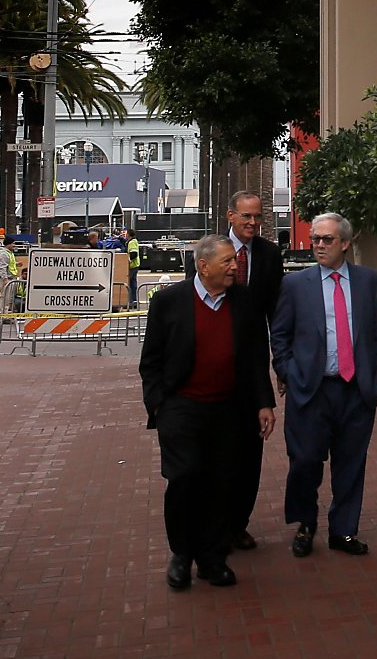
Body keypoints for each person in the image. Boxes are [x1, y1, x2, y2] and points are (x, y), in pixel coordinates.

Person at [139, 233, 275, 592]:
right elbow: (150, 362)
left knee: (221, 484)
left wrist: (264, 402)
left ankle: (213, 559)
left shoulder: (244, 302)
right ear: (203, 266)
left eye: (234, 261)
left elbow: (256, 358)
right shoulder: (169, 302)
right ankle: (182, 555)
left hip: (230, 409)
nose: (234, 266)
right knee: (184, 481)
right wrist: (158, 405)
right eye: (227, 261)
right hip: (182, 409)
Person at [270, 211, 377, 559]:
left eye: (327, 239)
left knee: (351, 463)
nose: (318, 245)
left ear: (345, 244)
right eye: (315, 239)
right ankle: (306, 523)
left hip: (355, 390)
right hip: (311, 389)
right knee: (305, 461)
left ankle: (344, 530)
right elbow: (280, 335)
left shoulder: (368, 281)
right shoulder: (295, 284)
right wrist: (288, 371)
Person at [224, 189, 284, 551]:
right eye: (246, 216)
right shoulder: (211, 250)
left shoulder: (269, 255)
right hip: (216, 365)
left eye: (258, 217)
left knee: (250, 450)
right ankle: (216, 522)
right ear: (230, 216)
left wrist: (279, 363)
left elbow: (275, 312)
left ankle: (238, 524)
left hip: (253, 364)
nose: (252, 223)